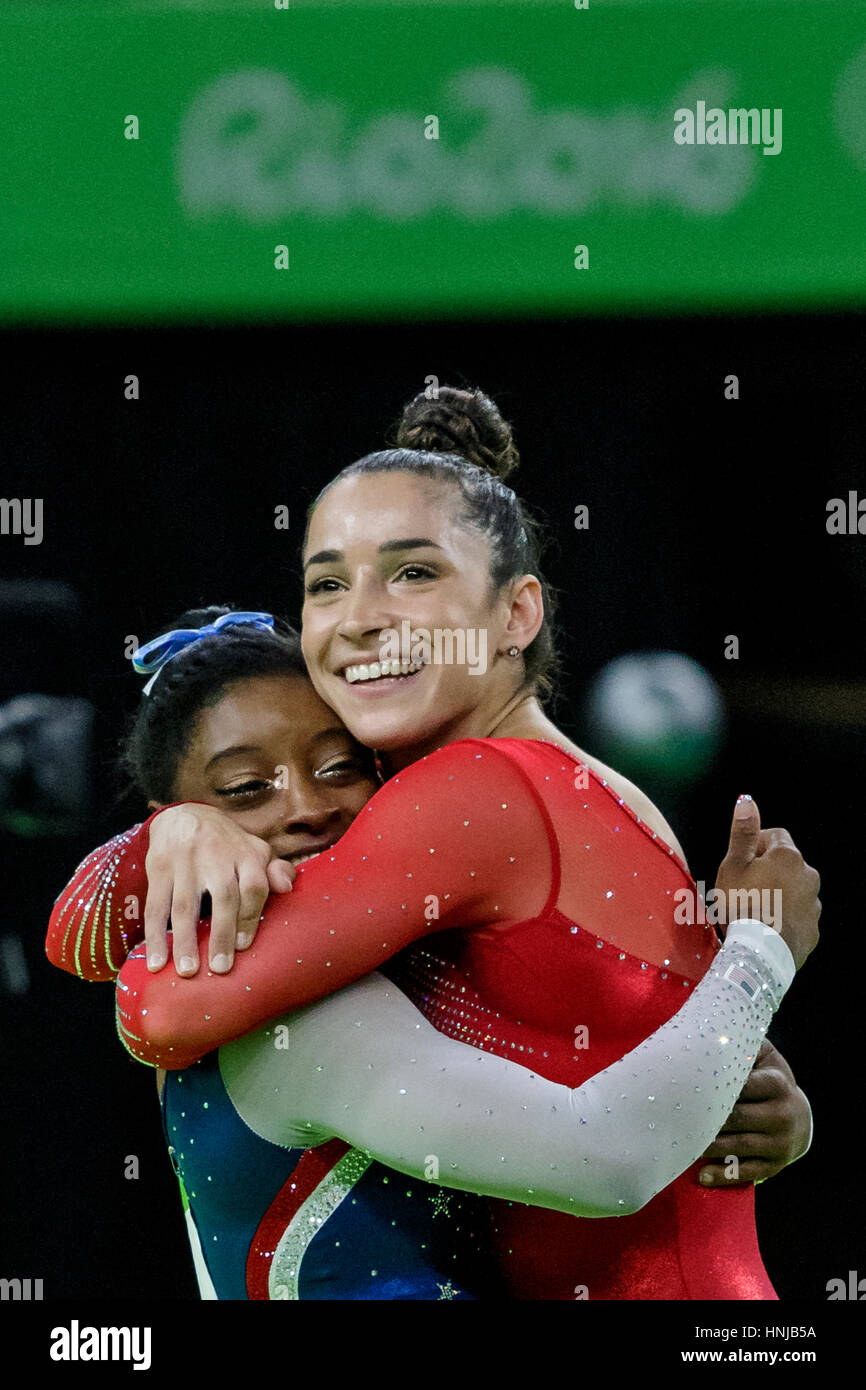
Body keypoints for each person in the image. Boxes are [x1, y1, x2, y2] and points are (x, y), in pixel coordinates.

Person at [51, 386, 820, 1297]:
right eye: (329, 582)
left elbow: (160, 1005)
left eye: (413, 573)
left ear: (516, 614)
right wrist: (171, 832)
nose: (364, 615)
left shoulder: (474, 792)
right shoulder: (555, 784)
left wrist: (762, 959)